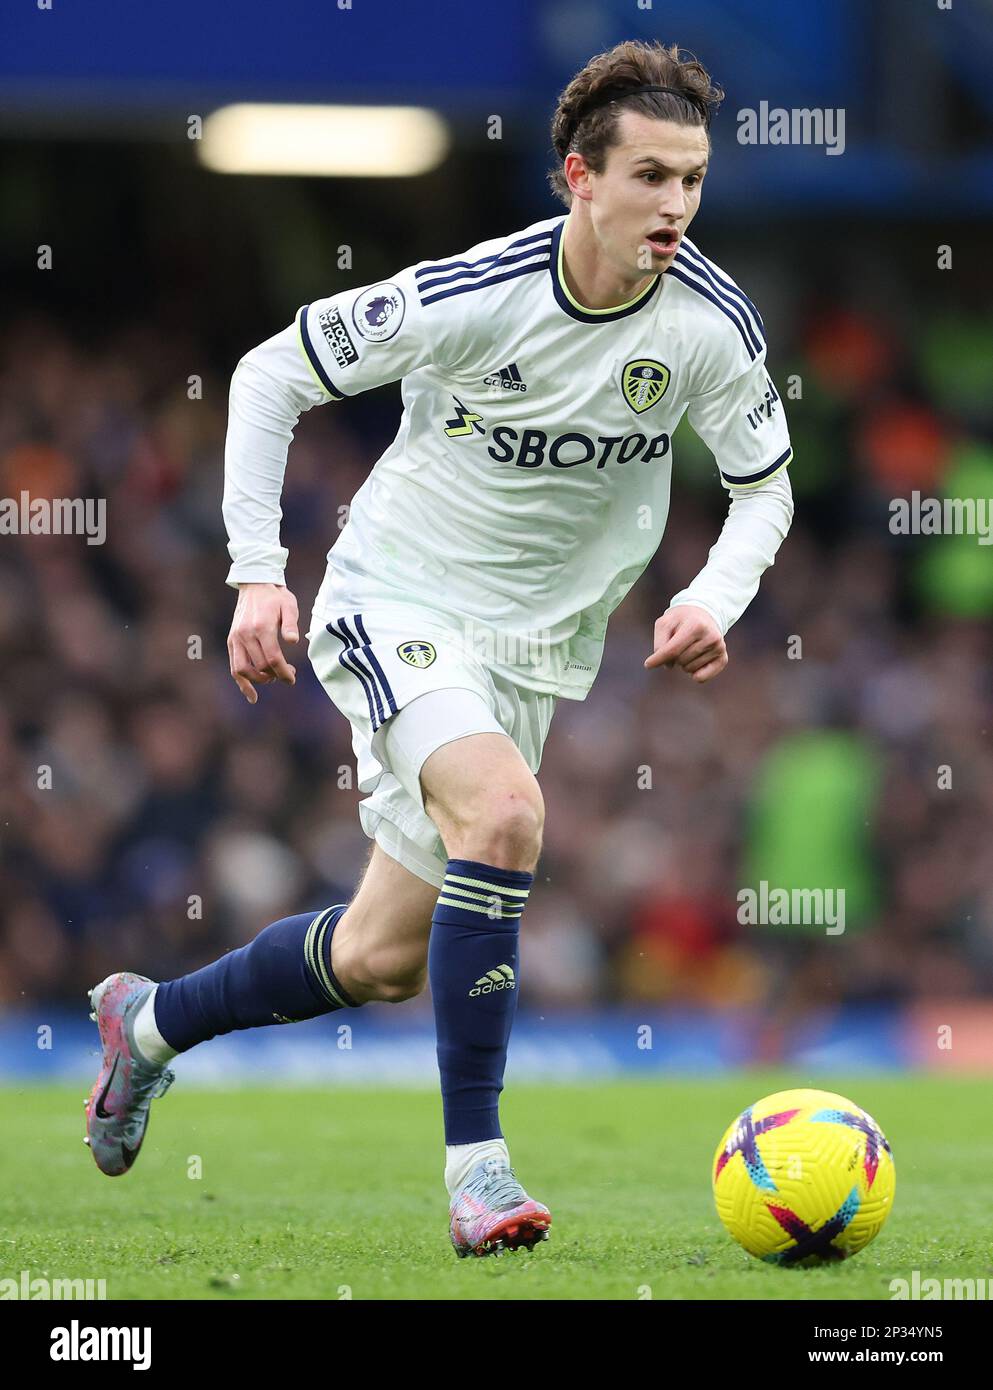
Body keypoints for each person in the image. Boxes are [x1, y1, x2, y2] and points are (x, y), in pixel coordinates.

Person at [85, 39, 794, 1259]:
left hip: (531, 651)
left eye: (692, 179)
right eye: (650, 177)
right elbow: (269, 374)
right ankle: (479, 1172)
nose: (675, 204)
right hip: (398, 596)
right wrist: (257, 571)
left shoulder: (709, 326)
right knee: (507, 817)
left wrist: (715, 597)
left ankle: (147, 1025)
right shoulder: (475, 293)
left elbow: (764, 485)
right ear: (580, 177)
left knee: (376, 958)